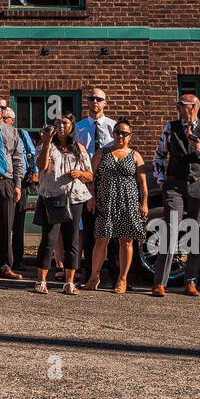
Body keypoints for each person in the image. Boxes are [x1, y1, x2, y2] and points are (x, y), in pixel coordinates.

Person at [151, 93, 200, 297]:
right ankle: (160, 283)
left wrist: (199, 150)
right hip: (175, 184)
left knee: (196, 232)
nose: (180, 109)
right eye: (179, 105)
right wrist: (161, 180)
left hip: (198, 184)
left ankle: (190, 282)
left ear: (195, 107)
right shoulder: (170, 128)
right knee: (171, 229)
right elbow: (159, 155)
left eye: (184, 105)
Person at [84, 118, 147, 293]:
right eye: (117, 132)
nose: (120, 136)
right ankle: (94, 276)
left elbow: (142, 183)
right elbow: (91, 177)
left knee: (125, 241)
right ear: (113, 134)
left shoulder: (135, 155)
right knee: (101, 239)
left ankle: (122, 279)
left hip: (128, 201)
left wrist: (144, 203)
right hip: (105, 200)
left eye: (124, 133)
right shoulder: (102, 153)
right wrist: (92, 198)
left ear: (130, 136)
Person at [33, 115, 92, 295]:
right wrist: (46, 141)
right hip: (51, 197)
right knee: (49, 239)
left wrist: (79, 173)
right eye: (56, 123)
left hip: (74, 199)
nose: (60, 126)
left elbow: (90, 176)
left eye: (64, 122)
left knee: (72, 240)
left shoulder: (79, 149)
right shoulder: (45, 146)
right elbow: (41, 166)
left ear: (71, 126)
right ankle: (41, 280)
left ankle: (69, 282)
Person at [76, 89, 117, 280]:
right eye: (91, 98)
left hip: (108, 179)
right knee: (88, 227)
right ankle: (88, 270)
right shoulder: (80, 127)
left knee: (110, 226)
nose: (94, 102)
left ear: (105, 103)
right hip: (86, 179)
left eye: (98, 99)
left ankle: (112, 270)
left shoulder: (113, 127)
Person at [0, 96, 25, 280]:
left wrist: (17, 185)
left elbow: (18, 159)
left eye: (2, 108)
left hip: (7, 181)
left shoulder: (12, 131)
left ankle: (4, 266)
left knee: (5, 226)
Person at [7, 106, 36, 271]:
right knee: (4, 222)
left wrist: (35, 172)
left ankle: (18, 260)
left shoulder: (21, 134)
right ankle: (5, 259)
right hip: (6, 180)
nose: (4, 122)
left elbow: (31, 152)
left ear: (12, 120)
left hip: (22, 181)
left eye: (6, 119)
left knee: (18, 222)